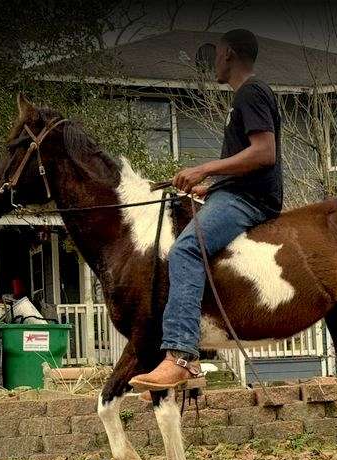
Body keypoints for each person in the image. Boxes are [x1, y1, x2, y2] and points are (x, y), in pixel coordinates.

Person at [129, 29, 282, 391]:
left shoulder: (251, 93)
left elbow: (264, 153)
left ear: (228, 53)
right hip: (235, 193)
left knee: (184, 249)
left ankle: (182, 357)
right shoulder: (245, 97)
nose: (213, 61)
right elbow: (246, 162)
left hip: (248, 201)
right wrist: (211, 186)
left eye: (216, 54)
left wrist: (205, 169)